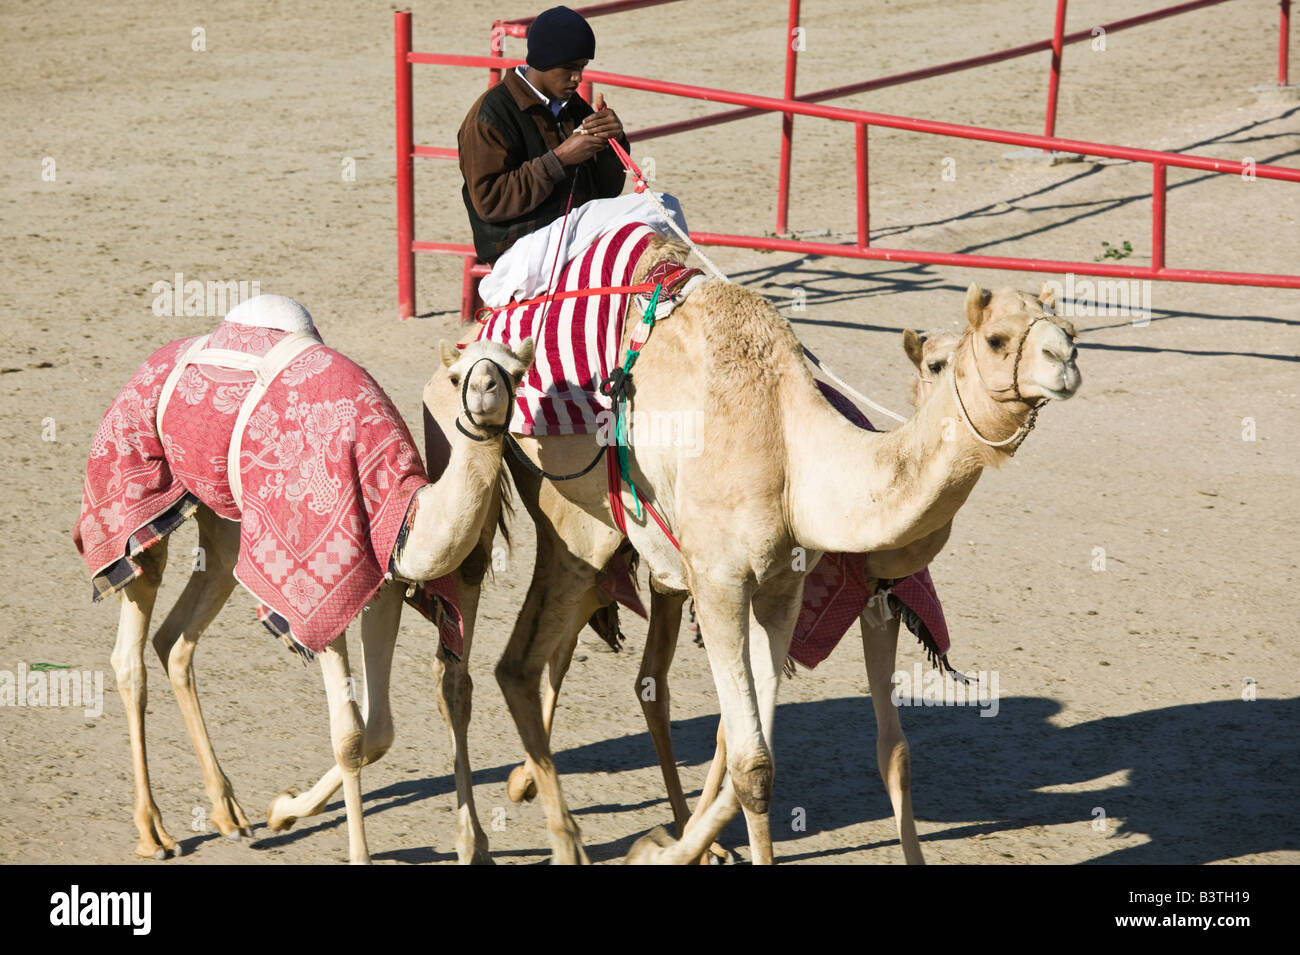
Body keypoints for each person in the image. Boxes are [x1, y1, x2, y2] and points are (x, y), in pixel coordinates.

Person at [458, 5, 631, 265]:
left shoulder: (575, 107)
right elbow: (489, 202)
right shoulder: (490, 116)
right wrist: (559, 160)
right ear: (542, 62)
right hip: (519, 251)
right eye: (569, 68)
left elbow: (608, 191)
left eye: (582, 67)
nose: (577, 78)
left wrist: (613, 143)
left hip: (576, 232)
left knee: (662, 210)